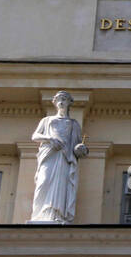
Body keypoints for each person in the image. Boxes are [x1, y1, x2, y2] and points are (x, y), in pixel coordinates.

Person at [30, 91, 88, 224]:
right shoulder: (47, 120)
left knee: (61, 185)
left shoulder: (73, 124)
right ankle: (40, 215)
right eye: (58, 100)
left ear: (69, 103)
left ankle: (57, 214)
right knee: (43, 181)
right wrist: (50, 139)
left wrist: (81, 149)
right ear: (55, 103)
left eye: (64, 99)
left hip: (64, 158)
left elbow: (78, 145)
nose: (61, 102)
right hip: (49, 155)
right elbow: (35, 136)